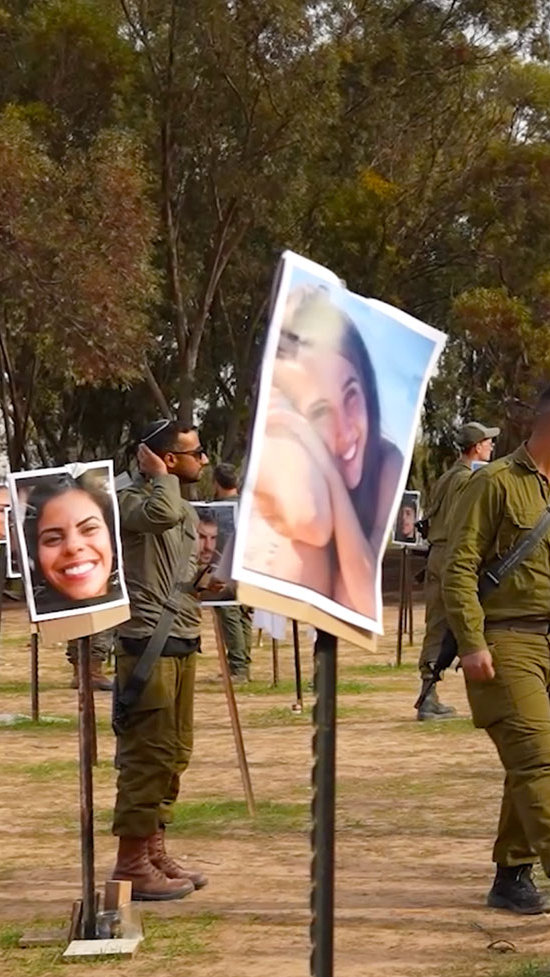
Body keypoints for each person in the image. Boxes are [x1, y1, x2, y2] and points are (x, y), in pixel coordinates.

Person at [446, 384, 550, 917]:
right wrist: (470, 642)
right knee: (537, 761)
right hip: (507, 641)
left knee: (545, 766)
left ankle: (511, 874)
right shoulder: (493, 484)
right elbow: (458, 567)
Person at [241, 285, 405, 621]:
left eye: (351, 395)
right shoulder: (287, 450)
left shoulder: (386, 459)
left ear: (367, 385)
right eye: (319, 412)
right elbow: (312, 525)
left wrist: (331, 477)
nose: (345, 431)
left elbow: (359, 600)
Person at [109, 420, 211, 901]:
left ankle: (153, 850)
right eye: (195, 452)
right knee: (146, 757)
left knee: (174, 755)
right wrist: (158, 477)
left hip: (181, 639)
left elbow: (181, 571)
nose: (204, 460)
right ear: (165, 460)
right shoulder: (131, 499)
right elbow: (161, 514)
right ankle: (130, 864)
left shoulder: (180, 505)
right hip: (147, 644)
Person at [415, 421, 497, 720]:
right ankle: (428, 697)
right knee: (459, 622)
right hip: (452, 554)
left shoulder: (448, 477)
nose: (491, 446)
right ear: (476, 447)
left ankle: (428, 693)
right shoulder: (468, 479)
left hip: (439, 554)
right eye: (488, 442)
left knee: (439, 624)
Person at [19, 472, 120, 611]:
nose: (73, 546)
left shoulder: (146, 621)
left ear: (112, 536)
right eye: (53, 538)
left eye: (89, 529)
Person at [211, 464, 251, 682]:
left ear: (216, 483)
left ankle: (238, 668)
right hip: (248, 568)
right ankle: (242, 663)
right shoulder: (248, 506)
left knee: (230, 615)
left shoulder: (219, 511)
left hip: (228, 570)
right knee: (243, 614)